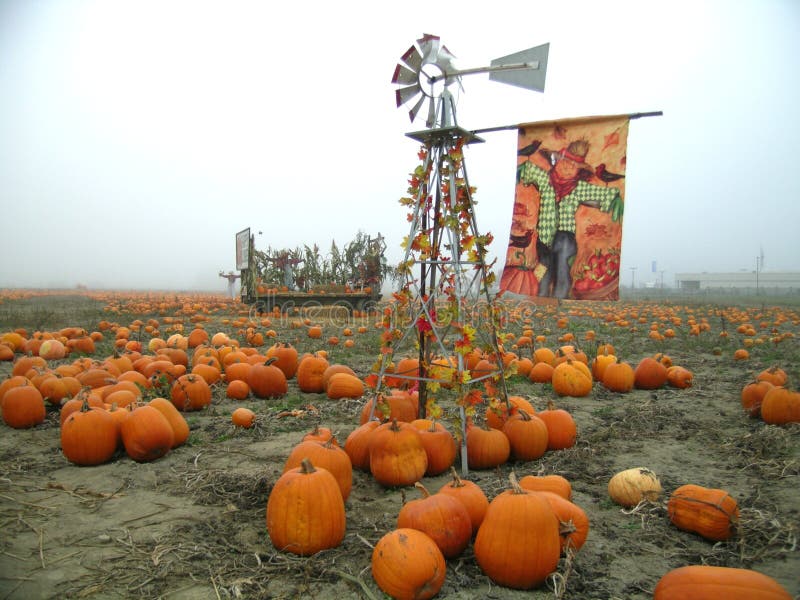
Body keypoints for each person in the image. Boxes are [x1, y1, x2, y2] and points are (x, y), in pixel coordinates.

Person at [517, 139, 624, 298]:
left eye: (573, 166)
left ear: (578, 171)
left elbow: (603, 193)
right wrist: (521, 170)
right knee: (543, 269)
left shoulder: (578, 188)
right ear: (557, 161)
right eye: (565, 162)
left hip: (565, 239)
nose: (568, 167)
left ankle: (560, 303)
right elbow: (528, 169)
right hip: (544, 240)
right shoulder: (545, 179)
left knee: (562, 269)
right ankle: (540, 298)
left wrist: (615, 199)